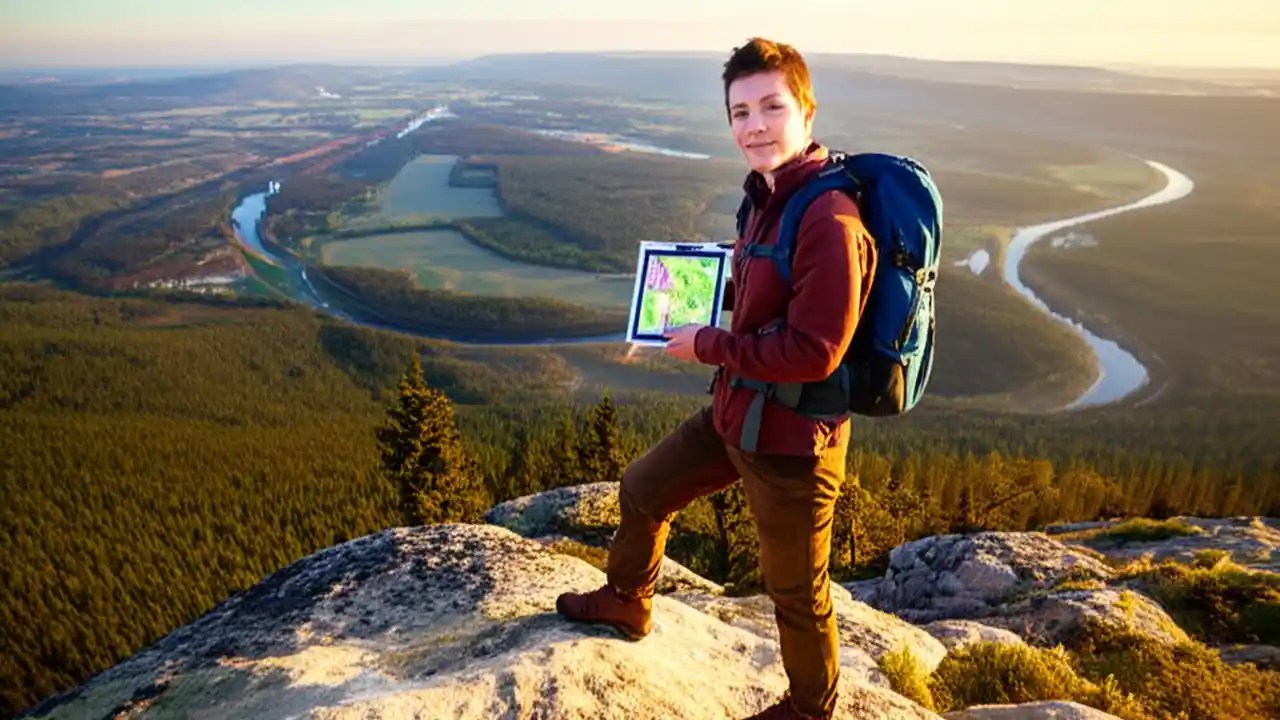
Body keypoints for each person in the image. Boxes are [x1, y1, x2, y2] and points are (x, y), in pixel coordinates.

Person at [556, 37, 876, 720]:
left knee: (797, 592)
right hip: (738, 414)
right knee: (643, 489)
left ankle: (812, 709)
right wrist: (697, 298)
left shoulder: (829, 217)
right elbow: (765, 297)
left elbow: (816, 350)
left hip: (793, 441)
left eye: (771, 107)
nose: (754, 126)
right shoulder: (767, 196)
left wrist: (708, 343)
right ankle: (629, 600)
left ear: (807, 111)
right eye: (740, 112)